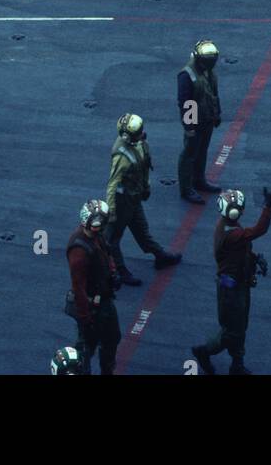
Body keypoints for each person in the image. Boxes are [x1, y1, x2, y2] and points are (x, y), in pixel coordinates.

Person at [192, 187, 271, 376]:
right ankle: (204, 351)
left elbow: (239, 251)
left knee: (241, 326)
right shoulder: (234, 233)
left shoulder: (227, 225)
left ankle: (237, 364)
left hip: (239, 285)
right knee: (232, 331)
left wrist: (254, 258)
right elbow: (260, 229)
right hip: (231, 291)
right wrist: (267, 206)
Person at [104, 114, 182, 285]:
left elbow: (145, 166)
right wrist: (111, 211)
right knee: (112, 239)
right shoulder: (121, 156)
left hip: (134, 197)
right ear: (127, 136)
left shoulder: (139, 143)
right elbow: (112, 184)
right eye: (138, 132)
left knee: (142, 230)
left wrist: (146, 187)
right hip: (121, 201)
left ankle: (160, 255)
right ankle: (120, 271)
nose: (142, 133)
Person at [65, 199, 121, 375]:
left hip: (104, 299)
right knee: (86, 348)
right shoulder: (79, 251)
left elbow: (107, 252)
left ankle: (107, 370)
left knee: (112, 337)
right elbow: (78, 287)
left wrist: (113, 272)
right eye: (97, 224)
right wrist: (85, 317)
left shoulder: (96, 235)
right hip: (91, 306)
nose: (100, 228)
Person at [177, 39, 222, 203]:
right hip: (195, 120)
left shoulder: (208, 70)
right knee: (189, 154)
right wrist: (189, 127)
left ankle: (199, 180)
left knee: (202, 152)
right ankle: (186, 188)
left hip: (207, 118)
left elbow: (213, 93)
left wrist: (217, 113)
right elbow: (185, 102)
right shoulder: (186, 75)